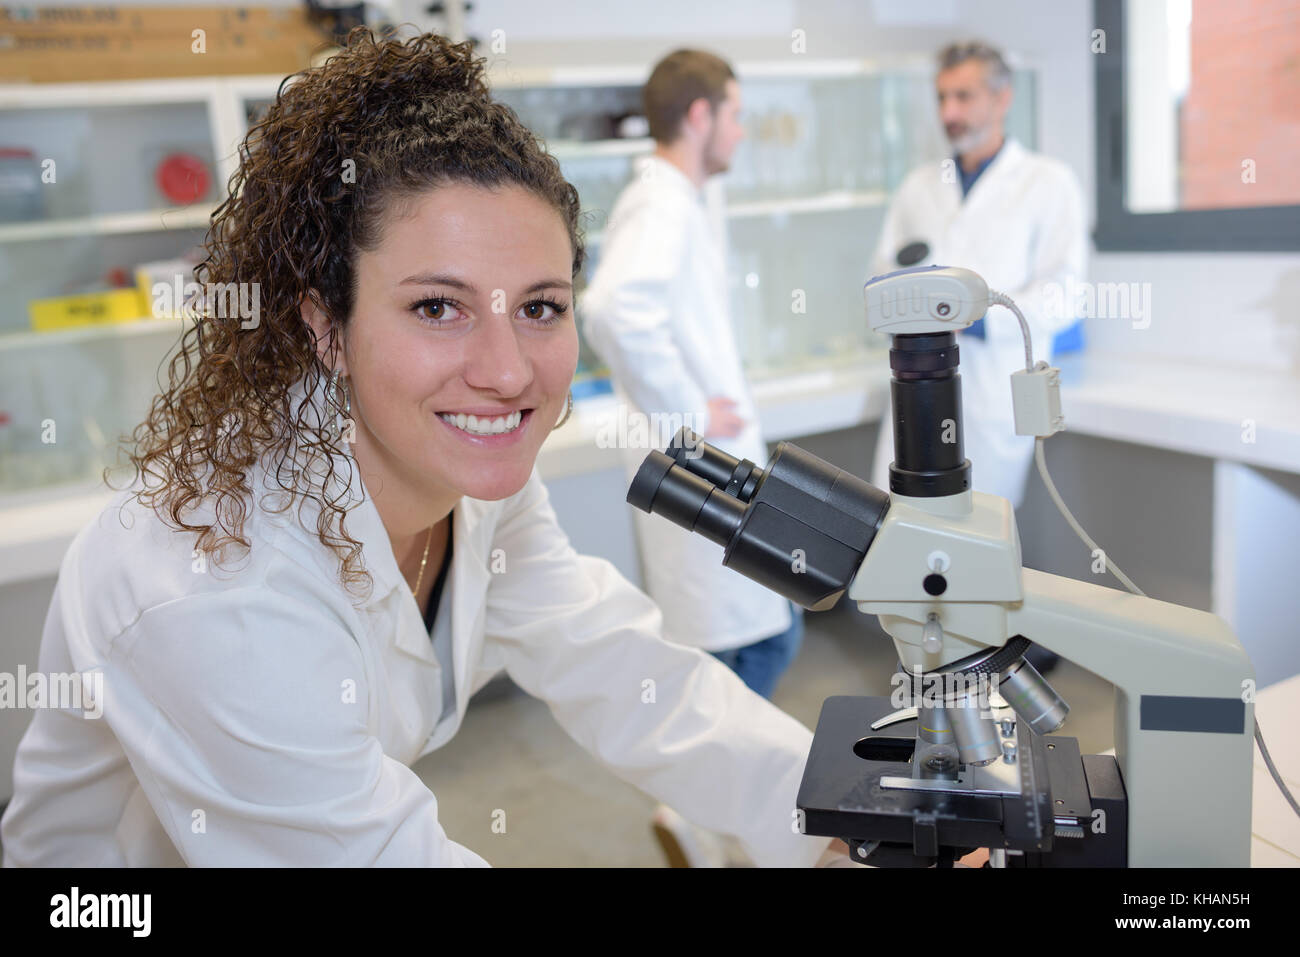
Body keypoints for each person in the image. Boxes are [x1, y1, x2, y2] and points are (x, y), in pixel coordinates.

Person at [0, 30, 845, 868]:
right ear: (326, 326)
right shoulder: (213, 574)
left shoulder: (471, 486)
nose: (508, 371)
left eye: (542, 307)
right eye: (439, 307)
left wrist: (843, 816)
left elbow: (621, 668)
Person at [581, 50, 803, 703]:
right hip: (694, 457)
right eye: (734, 114)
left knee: (741, 635)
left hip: (694, 458)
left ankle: (692, 796)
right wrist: (691, 414)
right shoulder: (663, 205)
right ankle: (702, 795)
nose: (741, 131)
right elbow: (616, 311)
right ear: (700, 115)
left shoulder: (677, 200)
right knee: (754, 638)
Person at [868, 40, 1087, 512]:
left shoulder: (1047, 183)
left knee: (976, 552)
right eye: (942, 97)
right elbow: (881, 276)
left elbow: (1065, 294)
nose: (950, 111)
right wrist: (914, 303)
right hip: (916, 390)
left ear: (1002, 98)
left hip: (993, 400)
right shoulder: (918, 187)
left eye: (964, 96)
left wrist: (976, 317)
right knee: (893, 541)